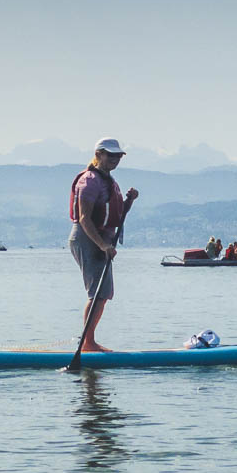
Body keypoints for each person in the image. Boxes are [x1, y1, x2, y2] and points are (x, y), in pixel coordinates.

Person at [69, 138, 138, 352]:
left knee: (104, 293)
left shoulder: (109, 181)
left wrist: (129, 201)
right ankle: (87, 343)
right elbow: (84, 219)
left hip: (103, 241)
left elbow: (116, 214)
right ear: (99, 154)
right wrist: (102, 245)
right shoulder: (89, 181)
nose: (115, 159)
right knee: (97, 293)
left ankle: (90, 341)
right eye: (110, 155)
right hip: (88, 238)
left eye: (118, 156)